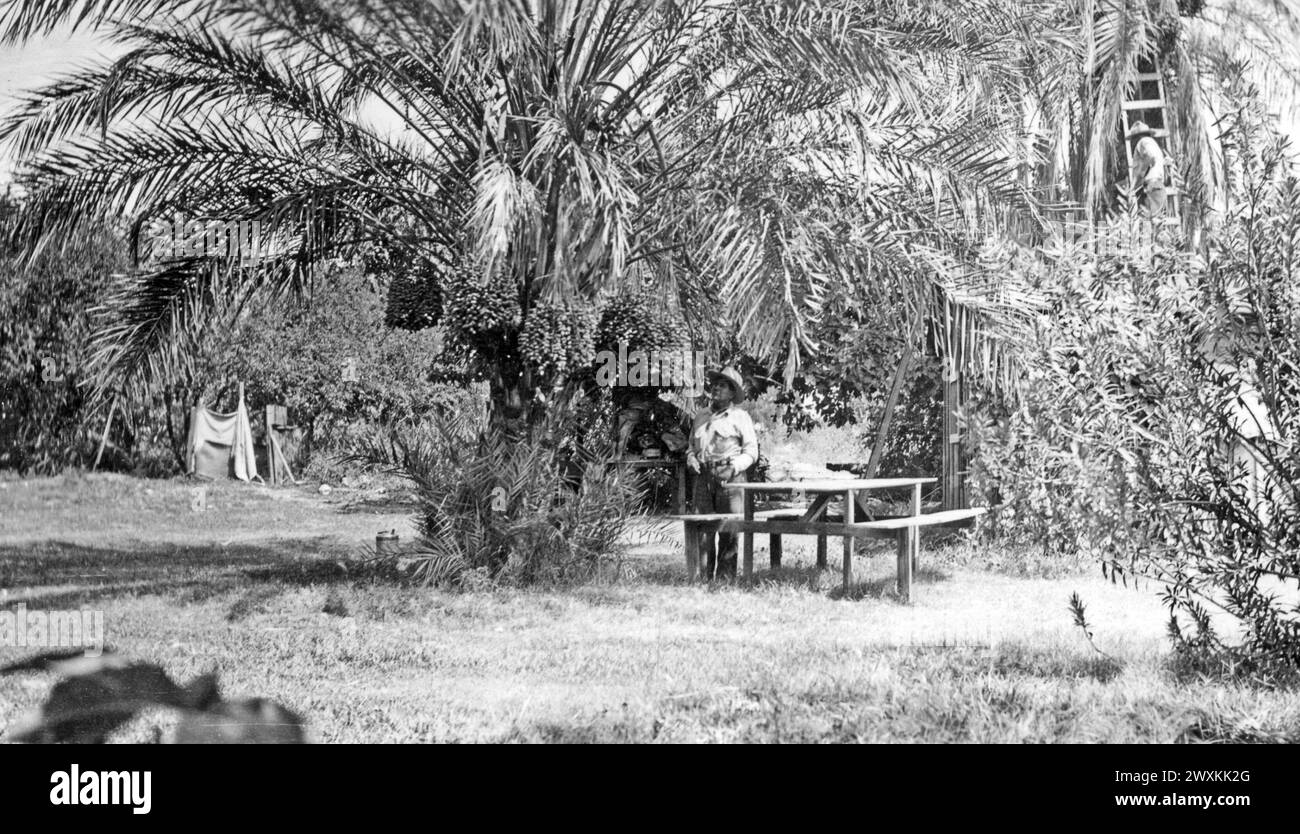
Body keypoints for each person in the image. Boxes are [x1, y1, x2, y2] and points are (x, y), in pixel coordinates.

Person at [686, 366, 758, 581]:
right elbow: (691, 446)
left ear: (732, 393)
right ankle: (703, 579)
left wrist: (734, 468)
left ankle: (725, 580)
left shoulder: (740, 417)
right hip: (703, 476)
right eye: (715, 384)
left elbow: (751, 451)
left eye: (722, 385)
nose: (716, 388)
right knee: (703, 528)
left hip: (730, 477)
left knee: (729, 528)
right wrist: (690, 458)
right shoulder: (701, 415)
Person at [1126, 122, 1168, 218]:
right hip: (1156, 185)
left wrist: (1140, 175)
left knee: (1147, 222)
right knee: (1157, 221)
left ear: (1137, 136)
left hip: (1150, 186)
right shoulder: (1152, 143)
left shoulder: (1143, 142)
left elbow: (1151, 158)